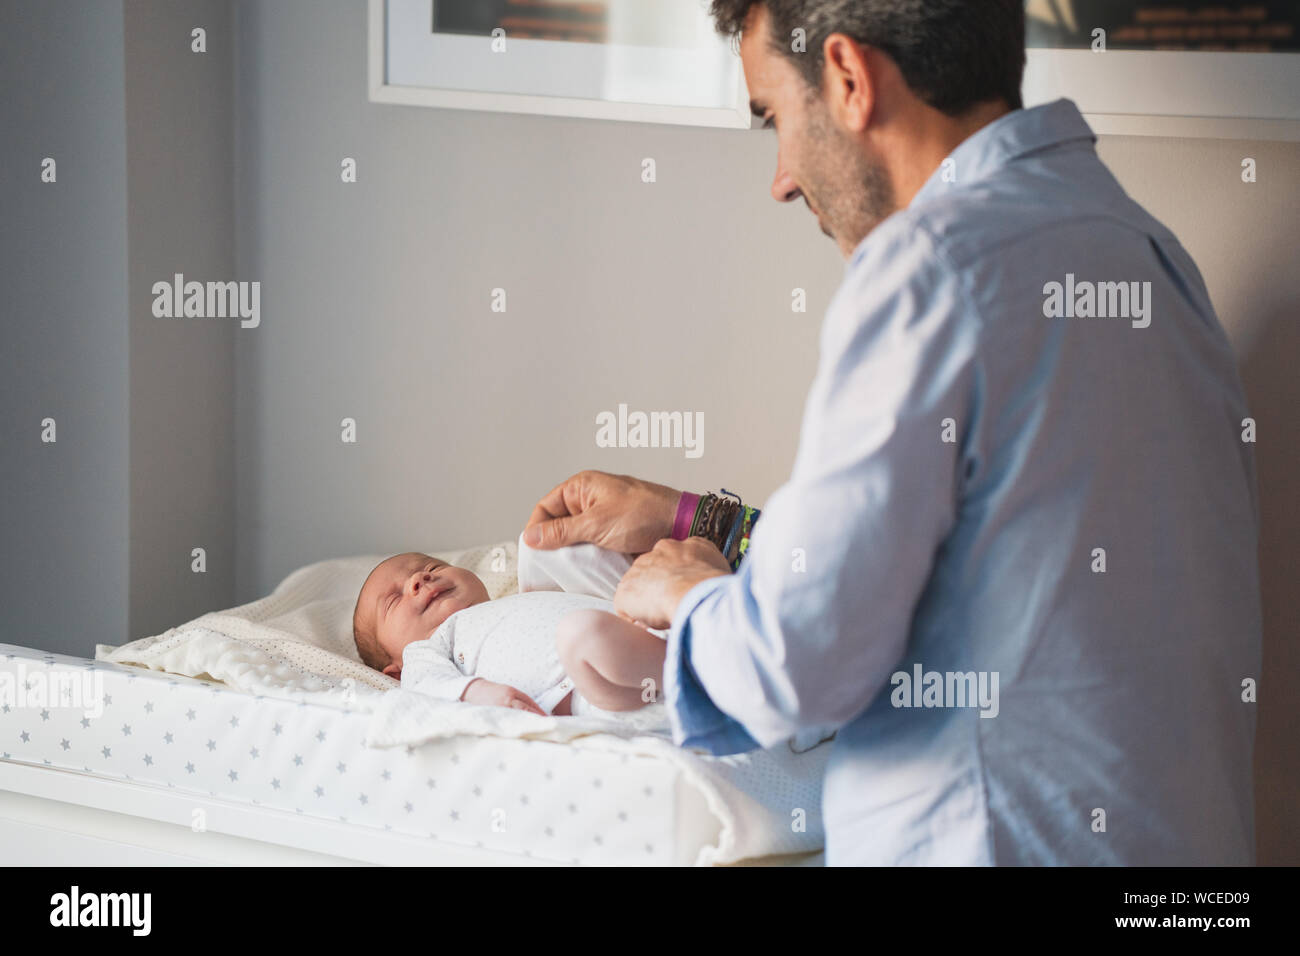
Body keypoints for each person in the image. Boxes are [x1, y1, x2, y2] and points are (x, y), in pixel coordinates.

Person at [521, 0, 1262, 865]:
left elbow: (797, 661)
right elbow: (968, 577)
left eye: (776, 119)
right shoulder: (1148, 257)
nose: (782, 179)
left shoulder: (930, 268)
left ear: (847, 78)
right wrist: (698, 523)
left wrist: (686, 597)